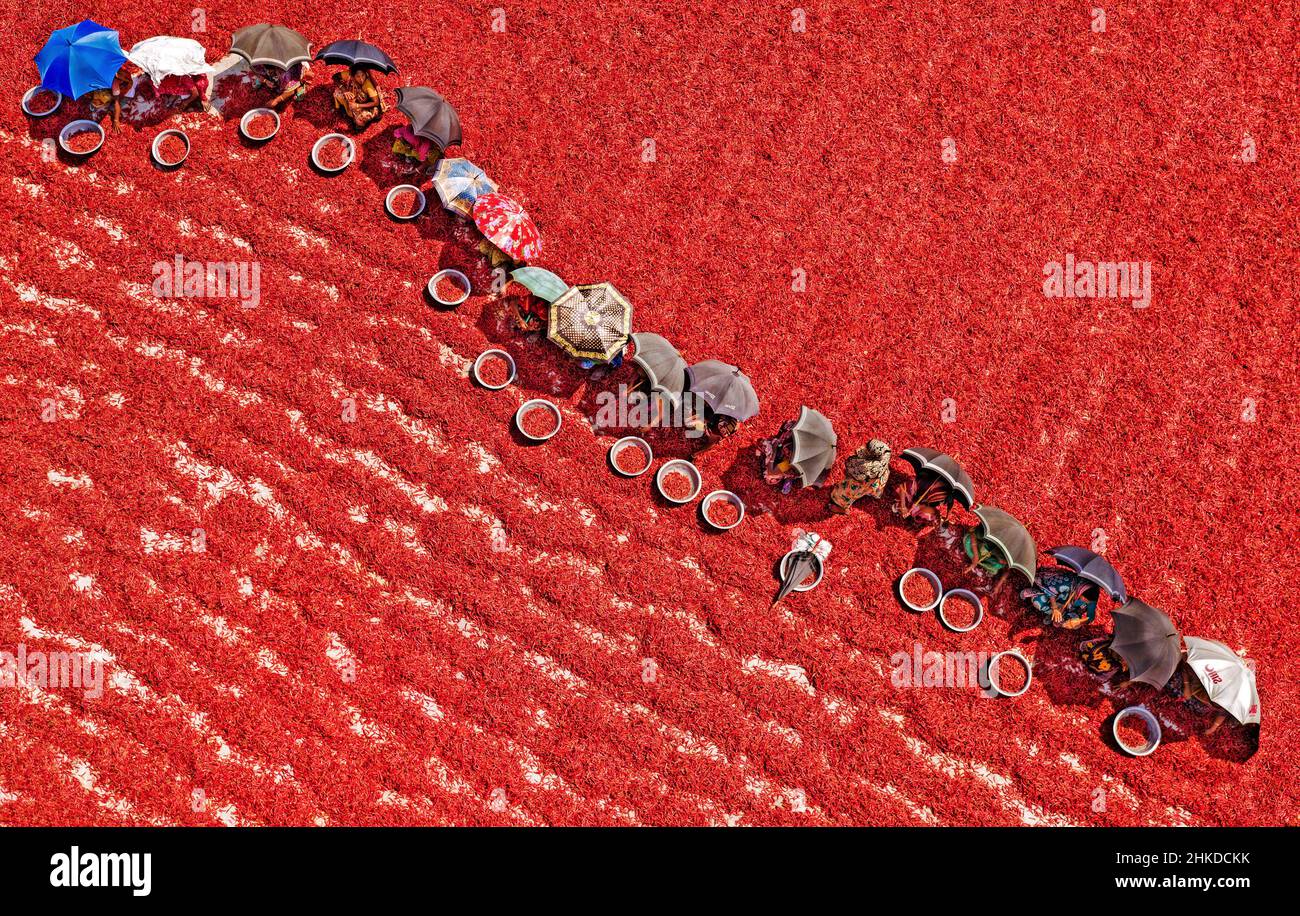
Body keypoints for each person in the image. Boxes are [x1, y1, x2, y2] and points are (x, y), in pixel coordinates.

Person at [1021, 568, 1099, 629]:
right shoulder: (1068, 582)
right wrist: (1055, 608)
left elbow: (1090, 617)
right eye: (1084, 599)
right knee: (1038, 601)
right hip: (1051, 593)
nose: (1085, 602)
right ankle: (1034, 592)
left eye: (1087, 602)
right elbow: (1050, 590)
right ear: (1081, 591)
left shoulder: (1092, 597)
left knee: (1074, 623)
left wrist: (1080, 622)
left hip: (1066, 607)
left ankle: (1053, 615)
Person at [828, 439, 891, 514]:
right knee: (874, 488)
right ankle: (874, 494)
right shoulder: (883, 458)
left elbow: (853, 471)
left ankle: (843, 509)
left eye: (867, 448)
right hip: (876, 482)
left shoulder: (864, 467)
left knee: (844, 493)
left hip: (859, 485)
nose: (864, 447)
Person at [1178, 661, 1228, 736]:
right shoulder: (1206, 674)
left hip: (1199, 695)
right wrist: (1187, 686)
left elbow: (1223, 713)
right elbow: (1186, 667)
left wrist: (1213, 728)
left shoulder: (1226, 699)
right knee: (1176, 688)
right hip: (1193, 683)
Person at [896, 470, 951, 535]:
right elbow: (902, 487)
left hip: (920, 501)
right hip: (914, 493)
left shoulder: (933, 497)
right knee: (900, 502)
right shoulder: (921, 485)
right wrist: (903, 506)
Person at [757, 418, 802, 492]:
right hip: (784, 456)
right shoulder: (789, 436)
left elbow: (771, 471)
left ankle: (788, 479)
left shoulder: (790, 461)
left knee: (769, 474)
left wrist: (774, 452)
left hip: (789, 465)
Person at [962, 526, 1010, 596]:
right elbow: (972, 534)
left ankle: (980, 561)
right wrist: (976, 556)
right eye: (1003, 561)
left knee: (995, 569)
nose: (1004, 563)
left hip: (990, 554)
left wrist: (998, 586)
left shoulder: (1009, 553)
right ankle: (977, 559)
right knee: (967, 541)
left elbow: (1007, 570)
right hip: (978, 544)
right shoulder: (991, 536)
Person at [87, 64, 137, 130]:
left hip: (126, 94)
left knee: (113, 108)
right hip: (120, 87)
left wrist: (116, 120)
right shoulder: (112, 70)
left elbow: (117, 103)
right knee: (101, 94)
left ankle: (112, 100)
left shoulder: (115, 85)